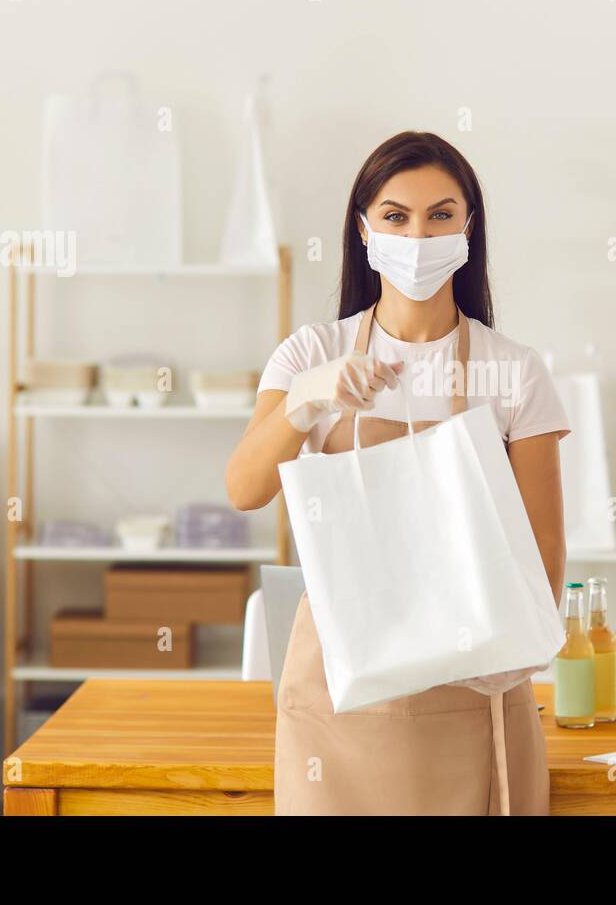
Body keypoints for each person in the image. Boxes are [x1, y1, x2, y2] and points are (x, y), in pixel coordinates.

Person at [225, 131, 569, 814]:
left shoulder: (515, 371)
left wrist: (500, 655)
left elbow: (545, 552)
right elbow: (244, 488)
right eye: (396, 216)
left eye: (441, 214)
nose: (419, 235)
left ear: (469, 228)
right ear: (363, 229)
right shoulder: (309, 353)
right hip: (339, 694)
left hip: (474, 684)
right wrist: (308, 397)